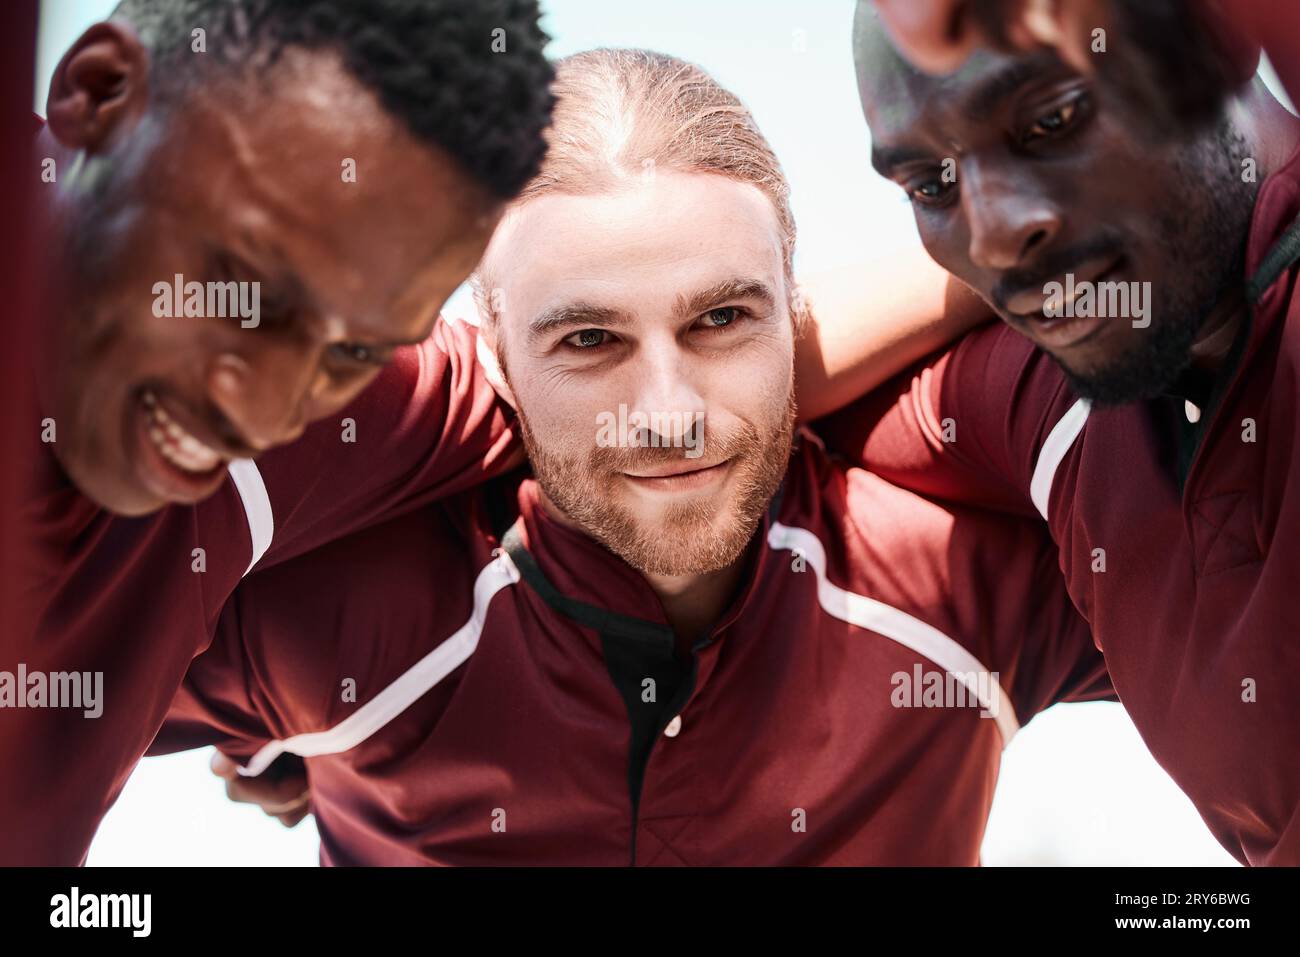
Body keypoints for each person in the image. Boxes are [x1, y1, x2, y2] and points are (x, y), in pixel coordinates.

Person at [151, 49, 1112, 866]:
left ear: (796, 311)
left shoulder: (957, 588)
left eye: (723, 319)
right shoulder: (326, 611)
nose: (667, 416)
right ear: (496, 353)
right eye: (588, 341)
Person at [4, 0, 556, 865]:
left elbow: (615, 381)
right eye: (247, 291)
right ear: (101, 94)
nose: (262, 413)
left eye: (359, 347)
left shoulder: (300, 429)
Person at [819, 5, 1300, 864]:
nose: (992, 231)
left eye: (1052, 119)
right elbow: (745, 382)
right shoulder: (1064, 405)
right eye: (930, 184)